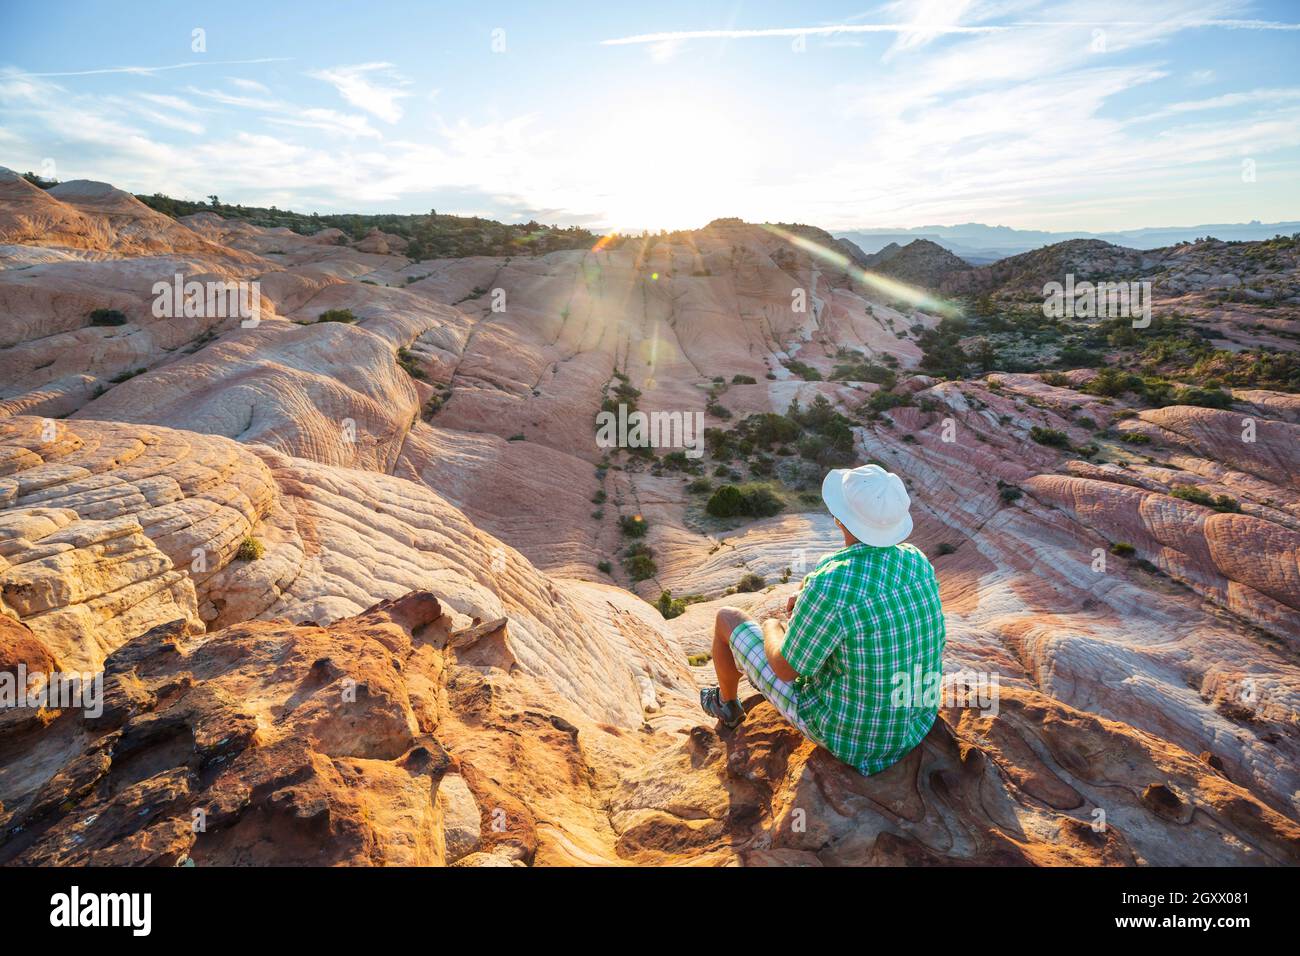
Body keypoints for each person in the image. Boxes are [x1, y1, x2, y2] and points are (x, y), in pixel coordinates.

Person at [700, 463, 946, 775]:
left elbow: (785, 669)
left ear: (839, 517)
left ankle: (726, 706)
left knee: (727, 619)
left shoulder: (833, 584)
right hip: (915, 722)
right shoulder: (917, 561)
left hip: (853, 740)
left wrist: (772, 626)